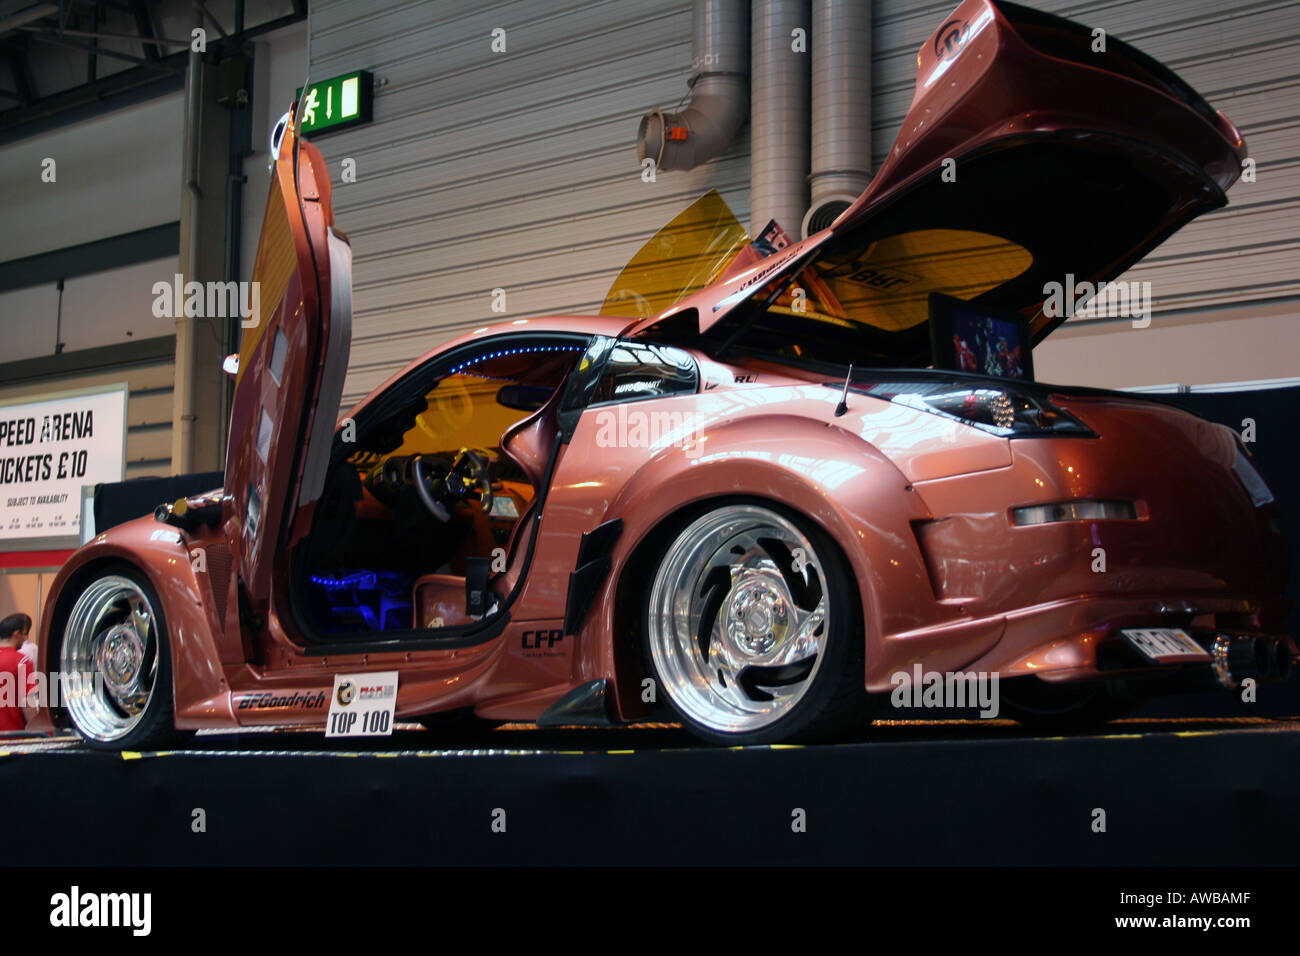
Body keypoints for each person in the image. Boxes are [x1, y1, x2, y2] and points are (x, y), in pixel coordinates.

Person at [0, 613, 37, 732]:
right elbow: (28, 702)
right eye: (25, 634)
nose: (26, 639)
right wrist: (37, 731)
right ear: (16, 634)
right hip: (12, 737)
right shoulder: (22, 661)